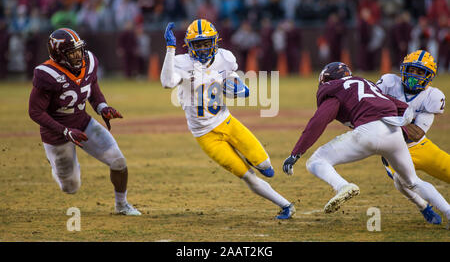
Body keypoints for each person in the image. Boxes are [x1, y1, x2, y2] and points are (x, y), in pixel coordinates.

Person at [282, 62, 450, 228]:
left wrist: (296, 152)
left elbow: (319, 121)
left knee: (316, 161)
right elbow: (402, 107)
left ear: (326, 79)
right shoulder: (366, 83)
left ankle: (343, 186)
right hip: (395, 133)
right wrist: (402, 124)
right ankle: (448, 211)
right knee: (413, 181)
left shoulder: (334, 89)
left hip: (368, 132)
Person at [160, 19, 295, 219]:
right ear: (188, 45)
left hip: (227, 122)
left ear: (215, 41)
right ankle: (286, 205)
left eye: (207, 42)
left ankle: (259, 162)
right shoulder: (181, 62)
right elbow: (166, 82)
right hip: (205, 135)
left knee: (266, 167)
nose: (204, 48)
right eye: (198, 44)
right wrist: (170, 49)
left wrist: (239, 87)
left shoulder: (226, 58)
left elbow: (230, 79)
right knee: (248, 176)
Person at [28, 28, 141, 216]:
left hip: (83, 123)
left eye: (79, 50)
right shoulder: (46, 73)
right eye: (72, 52)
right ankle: (57, 165)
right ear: (58, 55)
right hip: (57, 134)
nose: (78, 55)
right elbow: (35, 111)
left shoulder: (88, 61)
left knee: (119, 162)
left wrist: (102, 107)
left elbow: (92, 86)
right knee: (71, 187)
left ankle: (122, 205)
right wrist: (65, 131)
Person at [376, 50, 448, 224]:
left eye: (420, 72)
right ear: (403, 68)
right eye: (411, 69)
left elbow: (416, 134)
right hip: (393, 151)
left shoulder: (433, 96)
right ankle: (423, 206)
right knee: (403, 183)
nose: (414, 75)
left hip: (419, 147)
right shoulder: (388, 82)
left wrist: (387, 120)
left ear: (429, 76)